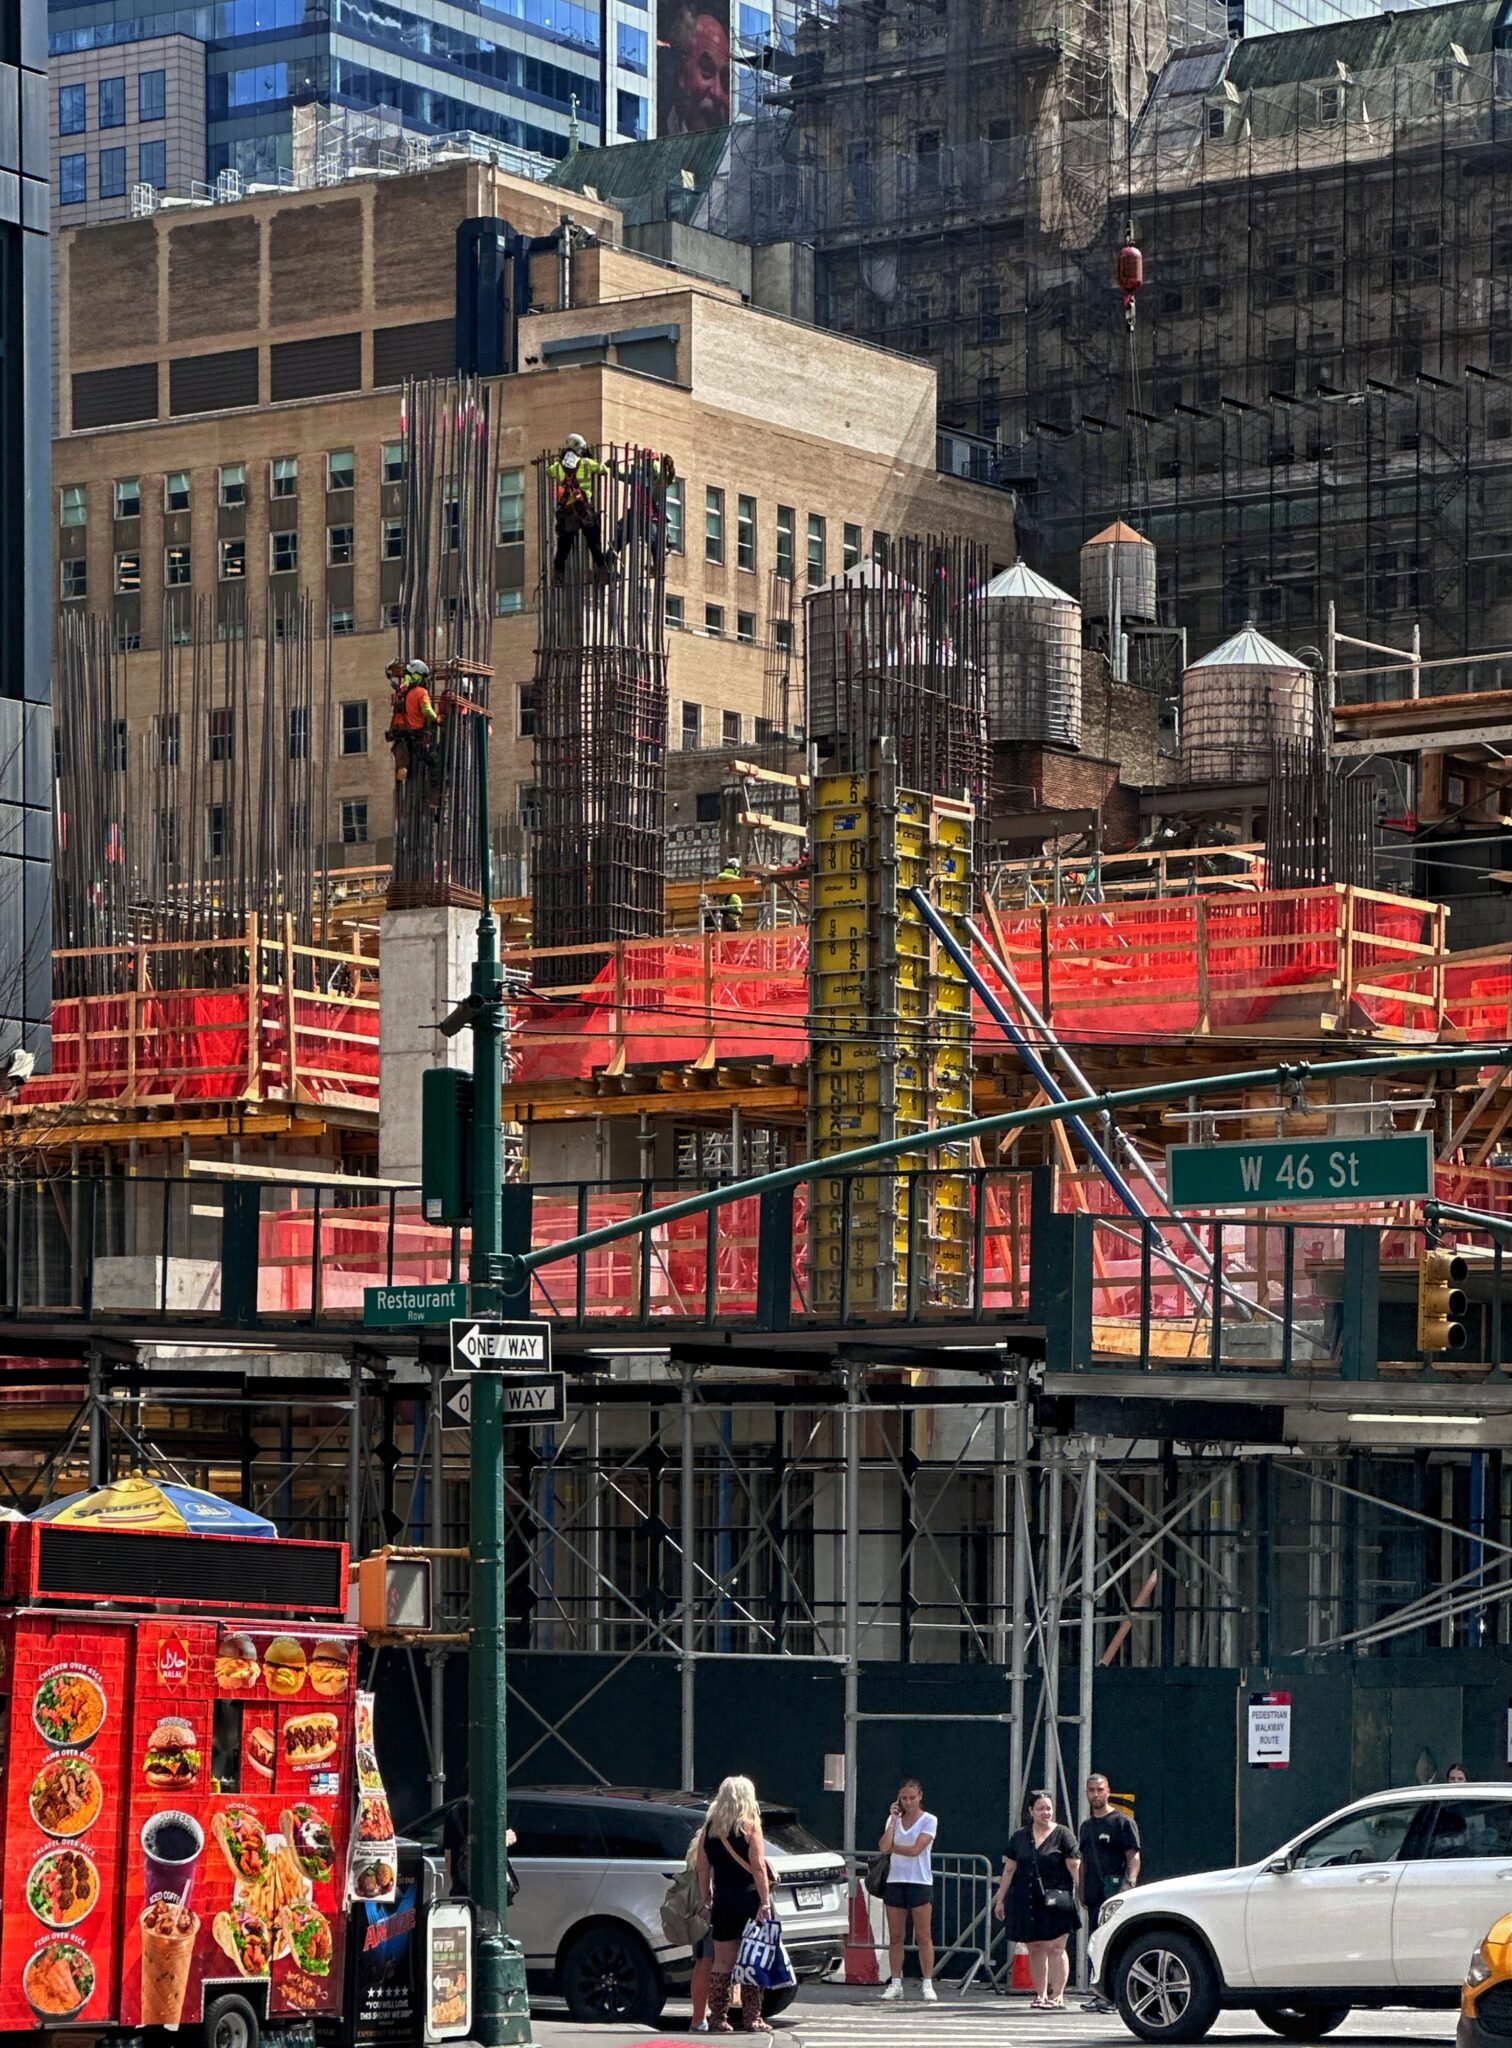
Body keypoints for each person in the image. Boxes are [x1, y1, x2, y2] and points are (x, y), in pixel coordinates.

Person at [696, 1775, 773, 2033]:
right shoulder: (751, 1827)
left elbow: (702, 1867)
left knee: (721, 1962)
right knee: (753, 1958)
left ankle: (718, 2018)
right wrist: (766, 1902)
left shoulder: (710, 1829)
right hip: (749, 1898)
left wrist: (706, 1895)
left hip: (723, 1901)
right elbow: (759, 1867)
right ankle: (752, 2018)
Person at [994, 1789, 1081, 2013]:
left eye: (1049, 1808)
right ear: (1031, 1811)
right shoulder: (1020, 1837)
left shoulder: (1063, 1834)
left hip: (1057, 1898)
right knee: (1034, 1947)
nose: (1046, 1812)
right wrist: (1000, 1898)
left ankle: (1058, 1995)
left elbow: (1074, 1865)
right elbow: (1009, 1868)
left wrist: (1081, 1893)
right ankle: (1040, 1994)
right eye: (1041, 1808)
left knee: (1056, 1947)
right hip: (1027, 1897)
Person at [1077, 1775, 1139, 2014]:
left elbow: (1133, 1856)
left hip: (1115, 1894)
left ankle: (1116, 1997)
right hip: (1094, 1894)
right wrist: (1080, 1890)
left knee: (1115, 1943)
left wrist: (1129, 1884)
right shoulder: (1086, 1826)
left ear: (1108, 1791)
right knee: (1096, 1943)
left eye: (1100, 1789)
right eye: (1091, 1790)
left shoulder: (1122, 1822)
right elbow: (1083, 1861)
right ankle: (1101, 1995)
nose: (1095, 1794)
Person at [878, 1777, 937, 2002]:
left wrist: (893, 1848)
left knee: (923, 1935)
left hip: (920, 1882)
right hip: (895, 1880)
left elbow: (916, 1850)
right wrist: (893, 1821)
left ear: (920, 1797)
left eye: (912, 1798)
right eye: (904, 1798)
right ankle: (895, 1983)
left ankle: (927, 1983)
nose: (908, 1802)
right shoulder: (893, 1819)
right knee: (896, 1936)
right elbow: (883, 1846)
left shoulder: (929, 1820)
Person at [548, 433, 611, 579]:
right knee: (593, 542)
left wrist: (559, 462)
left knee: (564, 545)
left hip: (567, 512)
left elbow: (548, 471)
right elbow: (604, 470)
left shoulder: (557, 467)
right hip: (584, 511)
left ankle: (558, 573)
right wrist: (591, 459)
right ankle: (602, 571)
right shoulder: (586, 463)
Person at [387, 658, 441, 803]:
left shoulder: (402, 692)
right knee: (435, 763)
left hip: (402, 740)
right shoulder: (420, 692)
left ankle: (407, 802)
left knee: (408, 773)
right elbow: (427, 710)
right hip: (417, 737)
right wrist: (437, 719)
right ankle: (435, 799)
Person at [718, 862, 744, 932]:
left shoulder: (719, 881)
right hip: (729, 922)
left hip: (721, 920)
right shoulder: (735, 894)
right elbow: (736, 914)